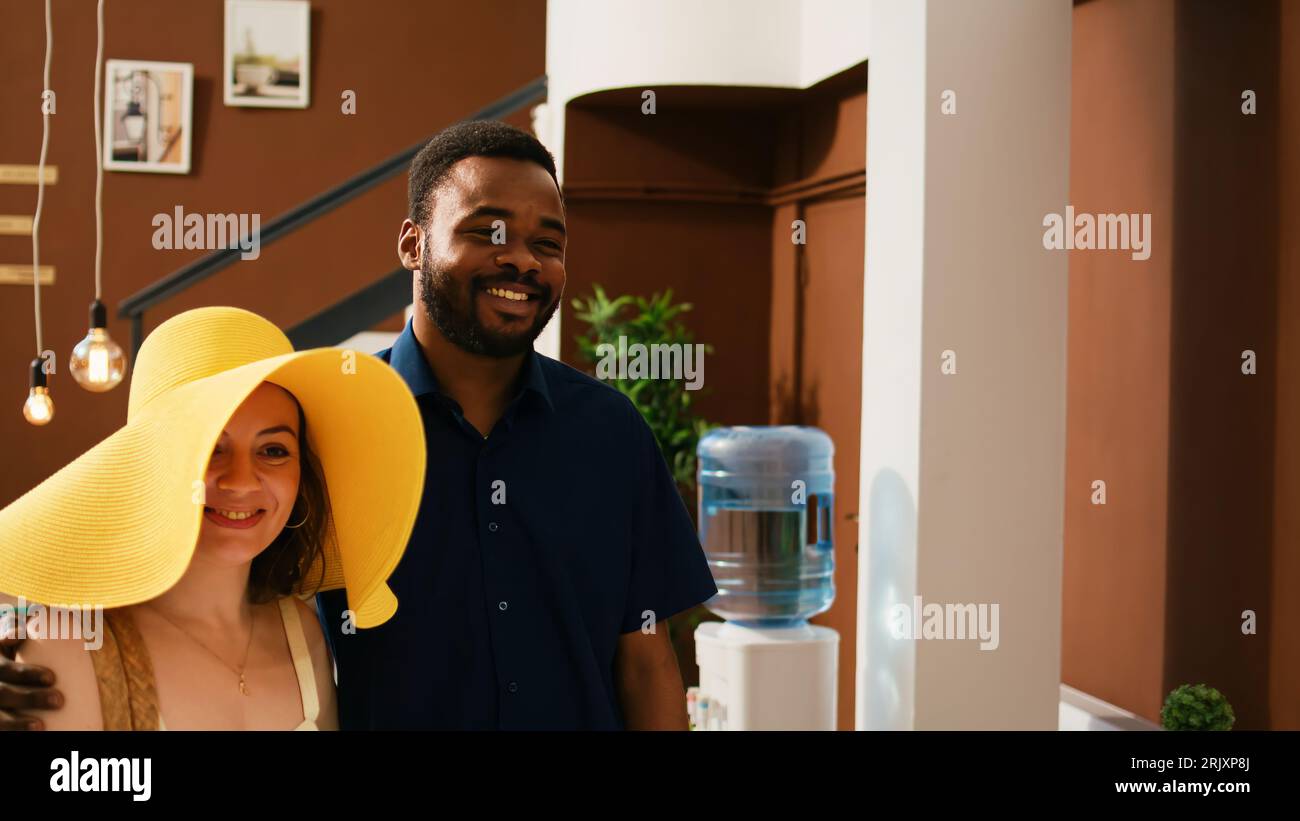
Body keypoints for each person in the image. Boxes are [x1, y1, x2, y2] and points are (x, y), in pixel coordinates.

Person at [2, 119, 717, 730]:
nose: (522, 259)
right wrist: (42, 640)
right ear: (411, 244)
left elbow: (648, 658)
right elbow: (211, 578)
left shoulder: (611, 433)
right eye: (486, 230)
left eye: (549, 242)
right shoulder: (330, 431)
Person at [0, 307, 424, 729]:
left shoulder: (302, 633)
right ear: (149, 465)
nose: (241, 481)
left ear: (301, 478)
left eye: (273, 450)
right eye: (209, 446)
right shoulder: (67, 643)